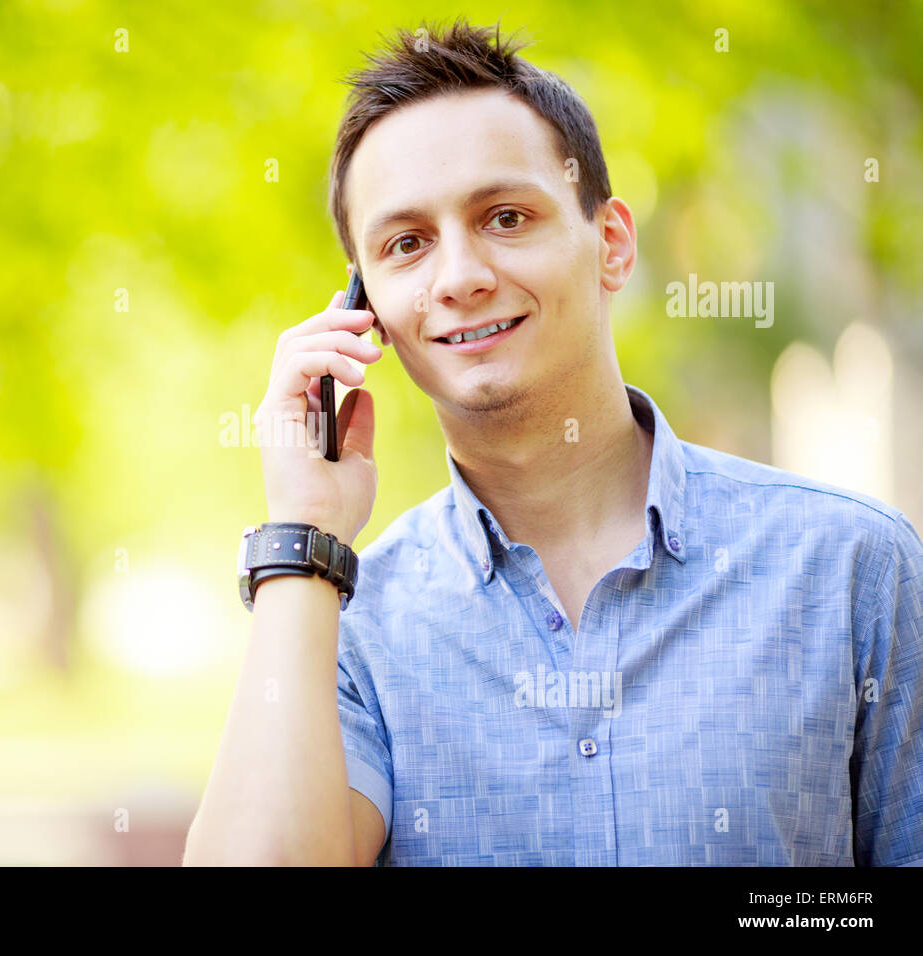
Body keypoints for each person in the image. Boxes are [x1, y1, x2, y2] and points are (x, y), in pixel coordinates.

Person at [183, 17, 923, 866]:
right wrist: (302, 537)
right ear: (365, 310)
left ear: (610, 243)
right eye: (406, 244)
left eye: (504, 217)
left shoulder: (851, 567)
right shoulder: (345, 626)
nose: (459, 277)